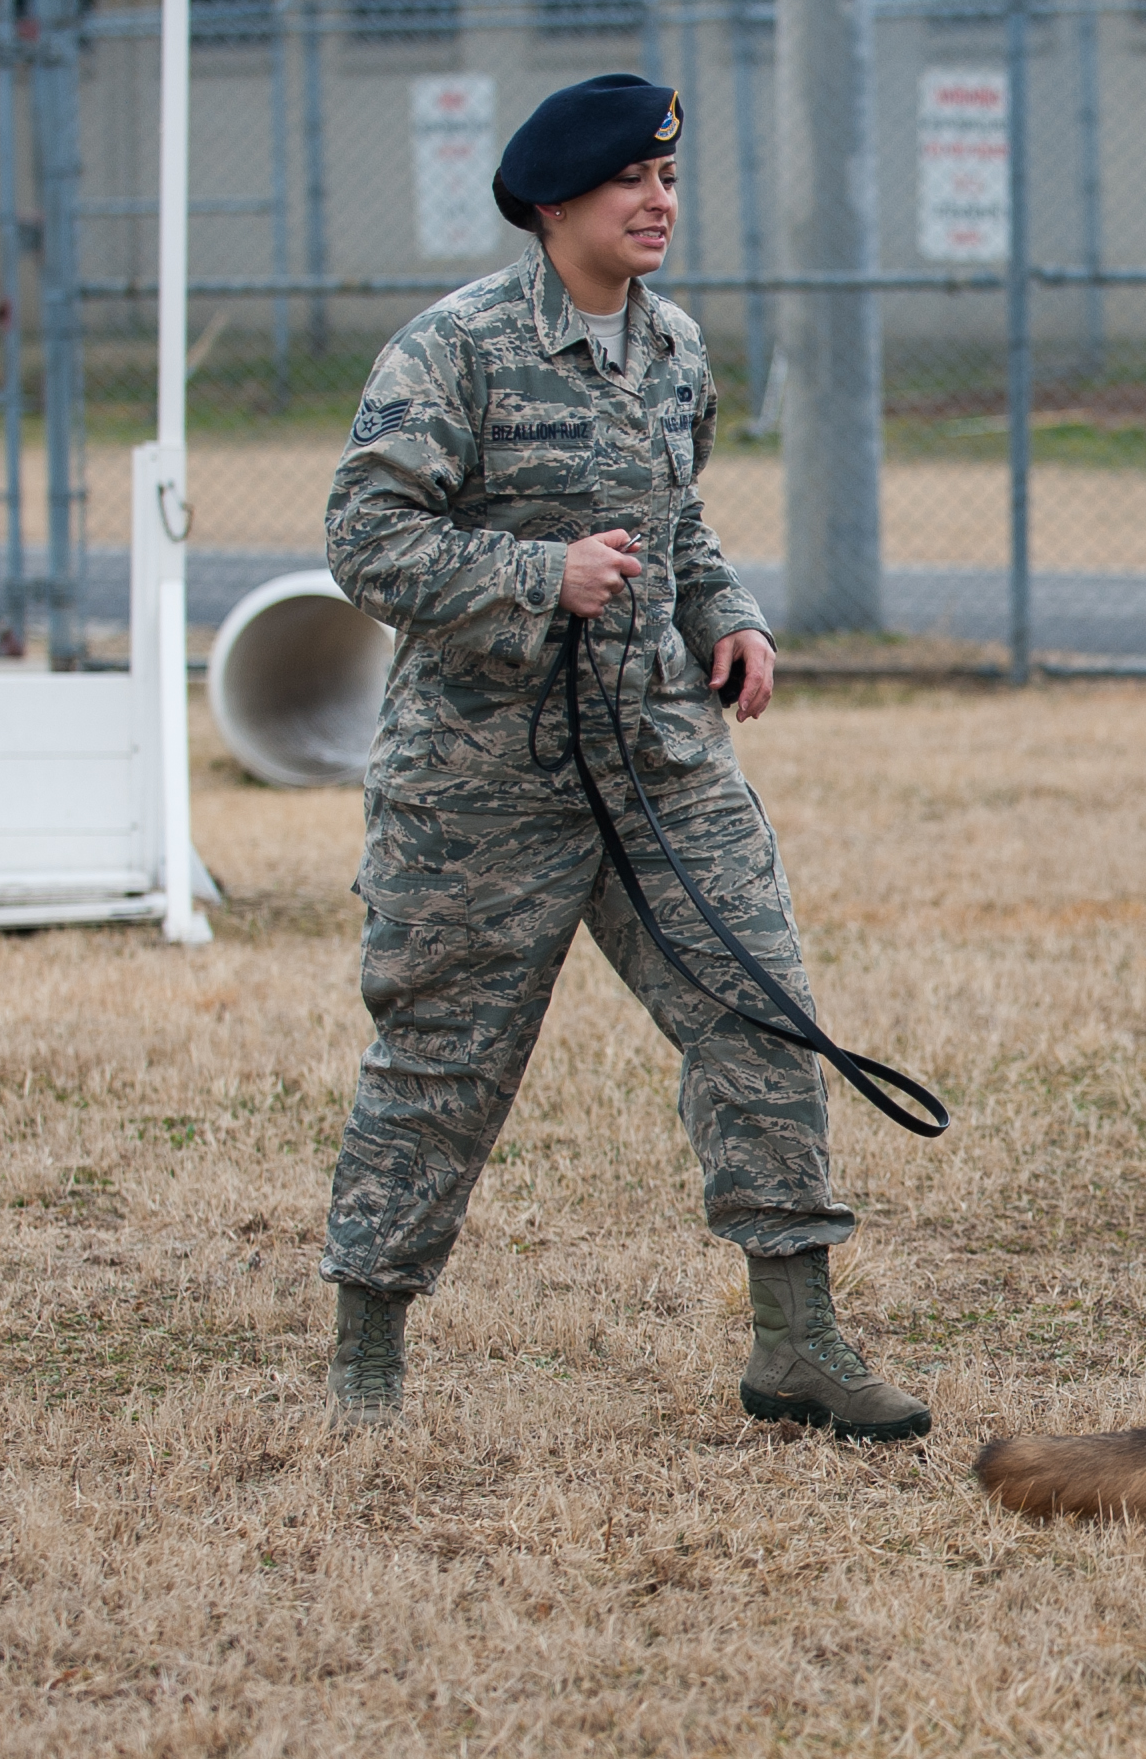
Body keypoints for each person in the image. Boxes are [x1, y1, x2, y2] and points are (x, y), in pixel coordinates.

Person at [315, 71, 930, 1441]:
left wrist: (730, 616)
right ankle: (365, 1351)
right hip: (484, 778)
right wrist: (539, 573)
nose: (657, 203)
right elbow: (365, 538)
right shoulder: (454, 350)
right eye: (627, 183)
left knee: (761, 1012)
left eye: (666, 181)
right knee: (442, 1061)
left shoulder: (677, 350)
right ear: (551, 205)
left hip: (659, 757)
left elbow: (678, 518)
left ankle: (797, 1339)